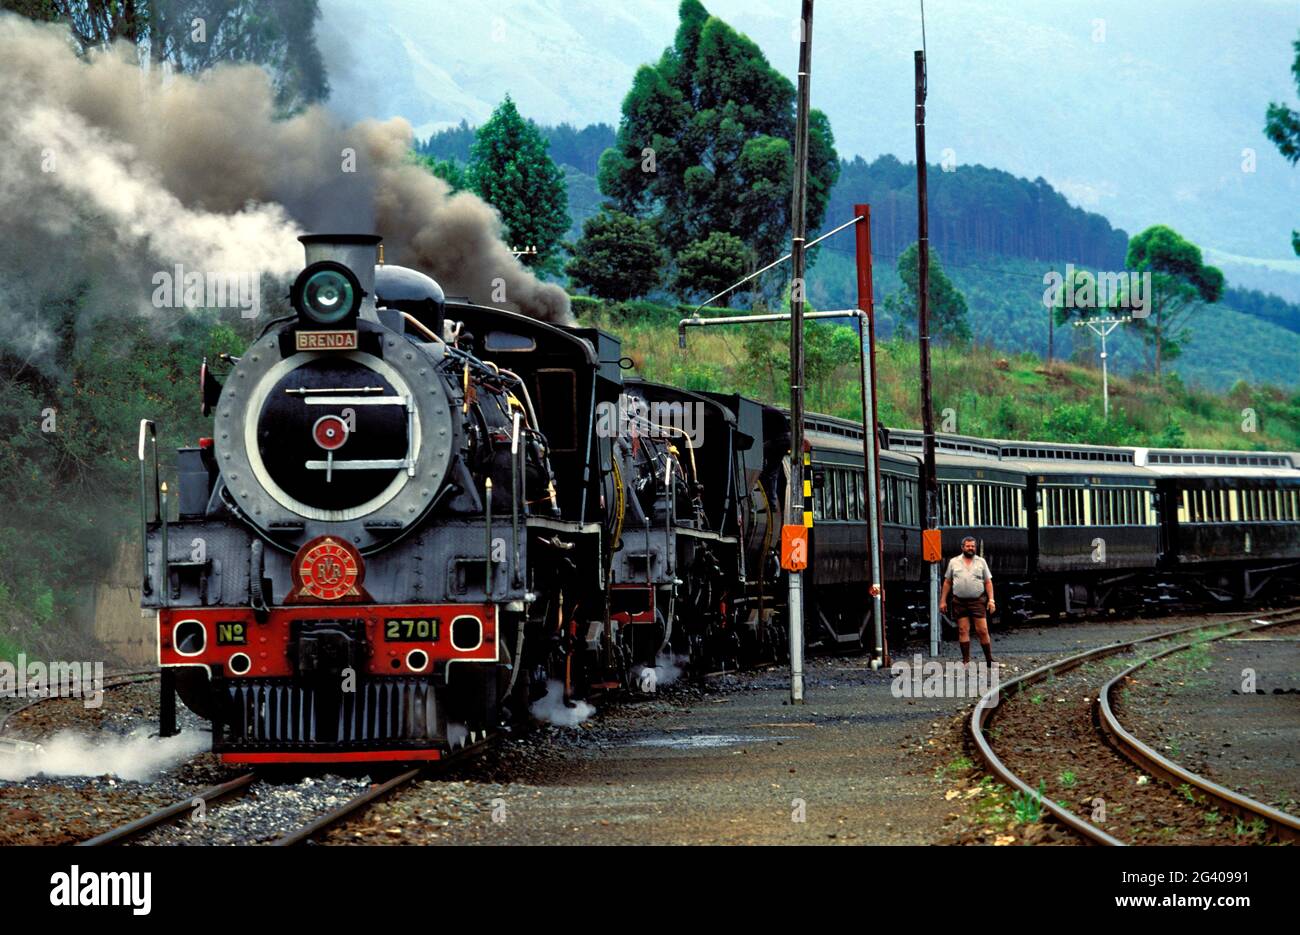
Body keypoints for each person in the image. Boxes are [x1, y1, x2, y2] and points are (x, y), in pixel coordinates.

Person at [938, 535, 995, 665]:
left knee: (982, 630)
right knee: (963, 630)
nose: (971, 548)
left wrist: (991, 600)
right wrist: (943, 600)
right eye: (968, 546)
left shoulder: (981, 562)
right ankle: (965, 660)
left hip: (977, 601)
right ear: (962, 547)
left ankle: (989, 659)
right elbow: (947, 582)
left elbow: (988, 582)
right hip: (960, 601)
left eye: (973, 546)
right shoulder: (954, 562)